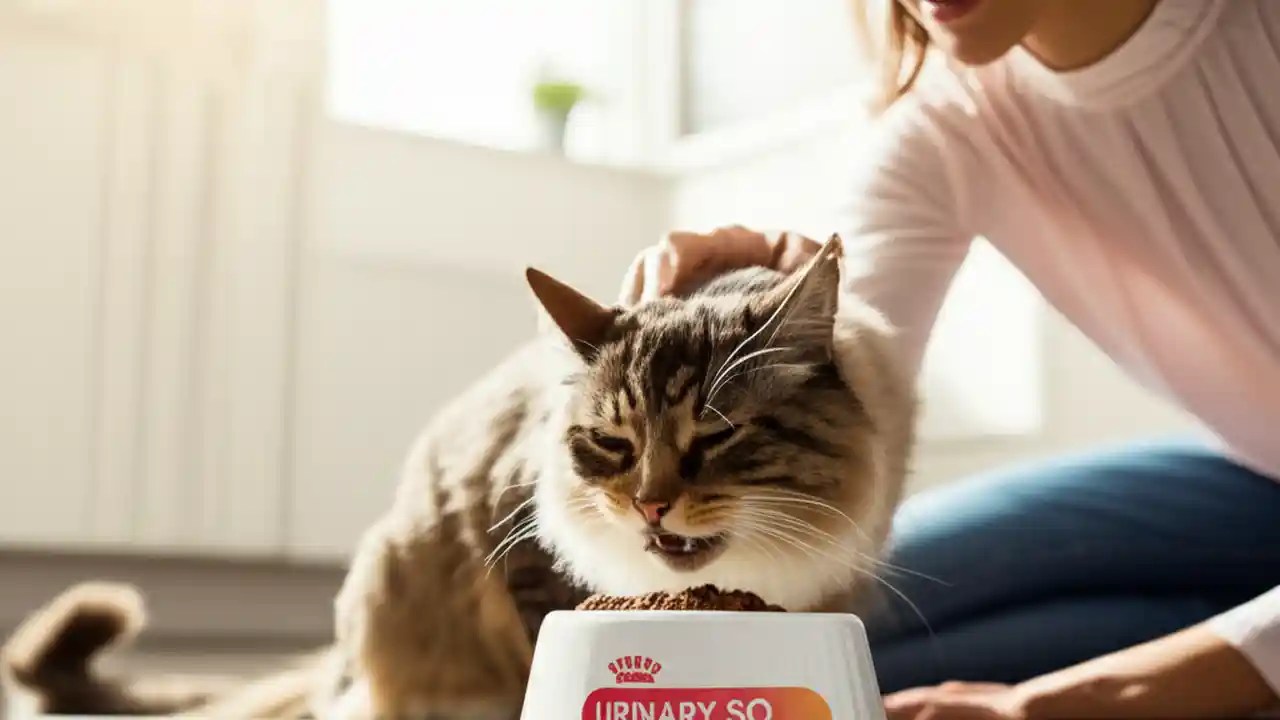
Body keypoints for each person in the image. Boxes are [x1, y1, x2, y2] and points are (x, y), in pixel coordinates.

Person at [619, 0, 1280, 717]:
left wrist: (1056, 702)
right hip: (1251, 483)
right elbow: (852, 393)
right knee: (805, 650)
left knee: (827, 672)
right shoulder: (943, 123)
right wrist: (772, 282)